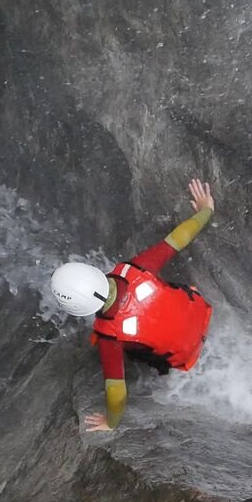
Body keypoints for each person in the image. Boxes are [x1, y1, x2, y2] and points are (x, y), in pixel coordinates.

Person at [50, 179, 216, 431]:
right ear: (94, 272)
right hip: (201, 313)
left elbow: (116, 394)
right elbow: (178, 238)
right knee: (166, 292)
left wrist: (111, 423)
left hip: (187, 356)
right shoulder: (136, 268)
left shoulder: (109, 338)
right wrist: (206, 211)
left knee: (138, 346)